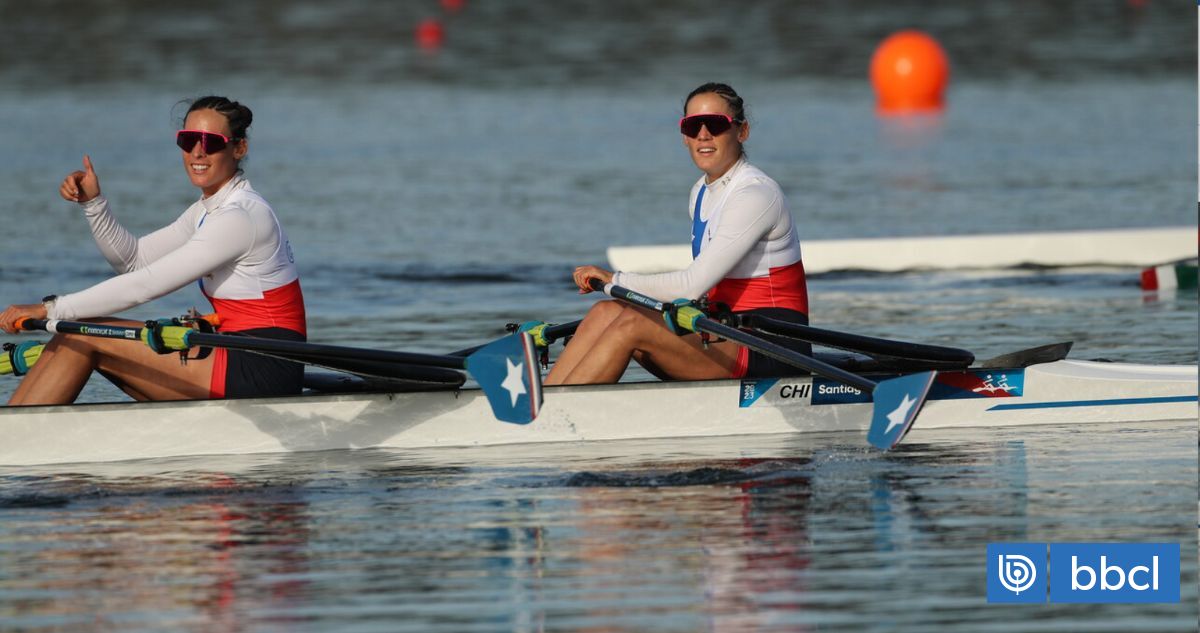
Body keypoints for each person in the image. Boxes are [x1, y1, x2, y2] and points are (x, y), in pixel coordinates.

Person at [0, 96, 306, 405]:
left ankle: (13, 444)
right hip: (233, 352)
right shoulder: (207, 210)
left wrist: (50, 309)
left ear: (238, 148)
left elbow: (145, 285)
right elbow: (134, 262)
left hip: (260, 364)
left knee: (80, 334)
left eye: (211, 142)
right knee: (78, 334)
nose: (197, 152)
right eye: (188, 141)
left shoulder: (240, 217)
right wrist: (93, 204)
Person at [545, 83, 810, 386]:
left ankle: (553, 419)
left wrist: (614, 280)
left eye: (715, 124)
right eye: (693, 126)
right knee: (606, 312)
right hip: (724, 335)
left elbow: (692, 285)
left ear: (742, 131)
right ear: (684, 136)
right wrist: (612, 291)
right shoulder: (700, 192)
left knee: (632, 324)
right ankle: (543, 407)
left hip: (772, 349)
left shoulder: (756, 195)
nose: (703, 135)